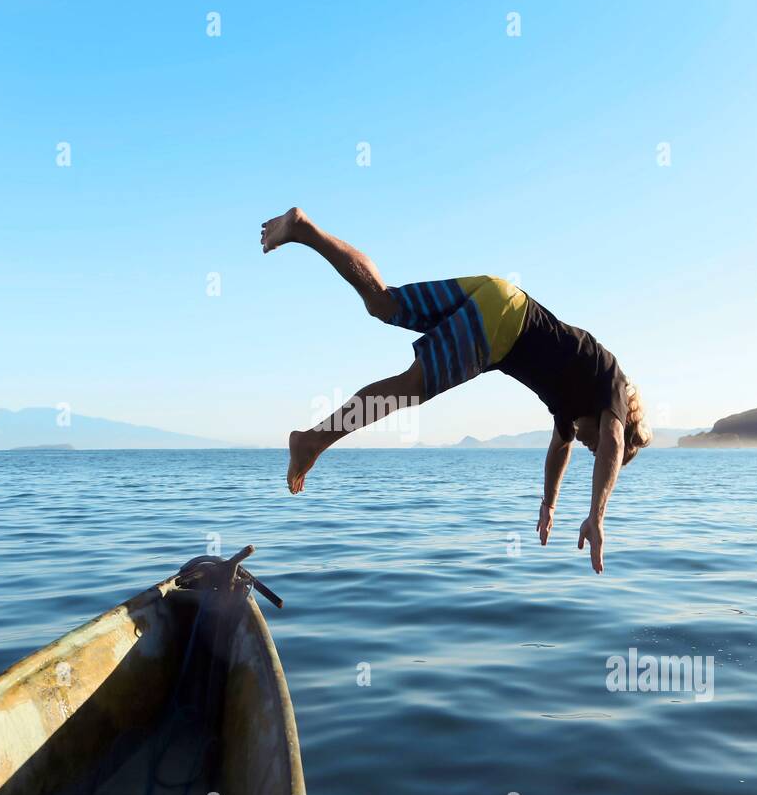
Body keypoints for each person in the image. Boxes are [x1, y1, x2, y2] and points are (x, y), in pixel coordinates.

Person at [261, 208, 651, 573]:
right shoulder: (613, 383)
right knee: (410, 387)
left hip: (500, 295)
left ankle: (303, 229)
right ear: (616, 421)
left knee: (383, 301)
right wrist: (597, 517)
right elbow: (615, 441)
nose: (592, 448)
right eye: (596, 448)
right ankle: (313, 441)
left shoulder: (574, 403)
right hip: (501, 331)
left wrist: (549, 504)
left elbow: (559, 450)